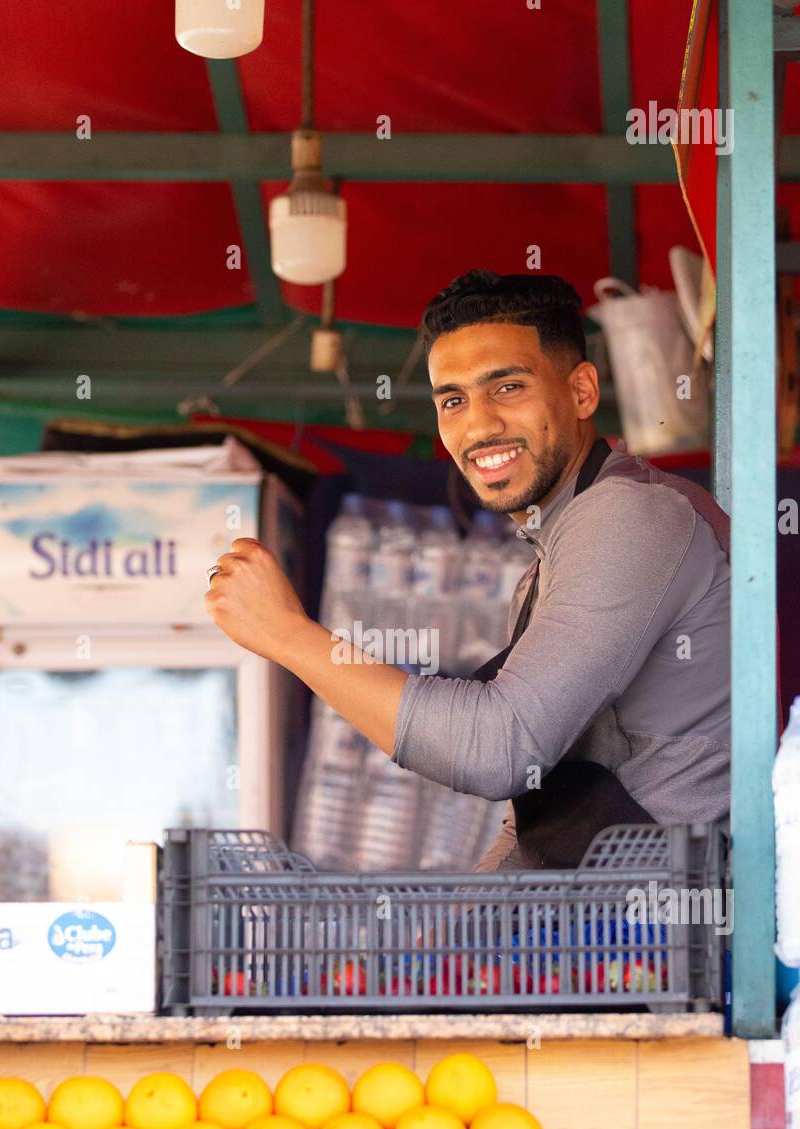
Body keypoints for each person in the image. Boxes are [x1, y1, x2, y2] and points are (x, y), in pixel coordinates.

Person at [206, 269, 730, 868]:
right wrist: (463, 924)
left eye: (507, 387)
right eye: (453, 401)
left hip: (674, 919)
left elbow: (499, 749)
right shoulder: (546, 562)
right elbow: (528, 818)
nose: (479, 426)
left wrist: (288, 635)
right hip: (607, 917)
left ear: (582, 391)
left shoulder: (632, 515)